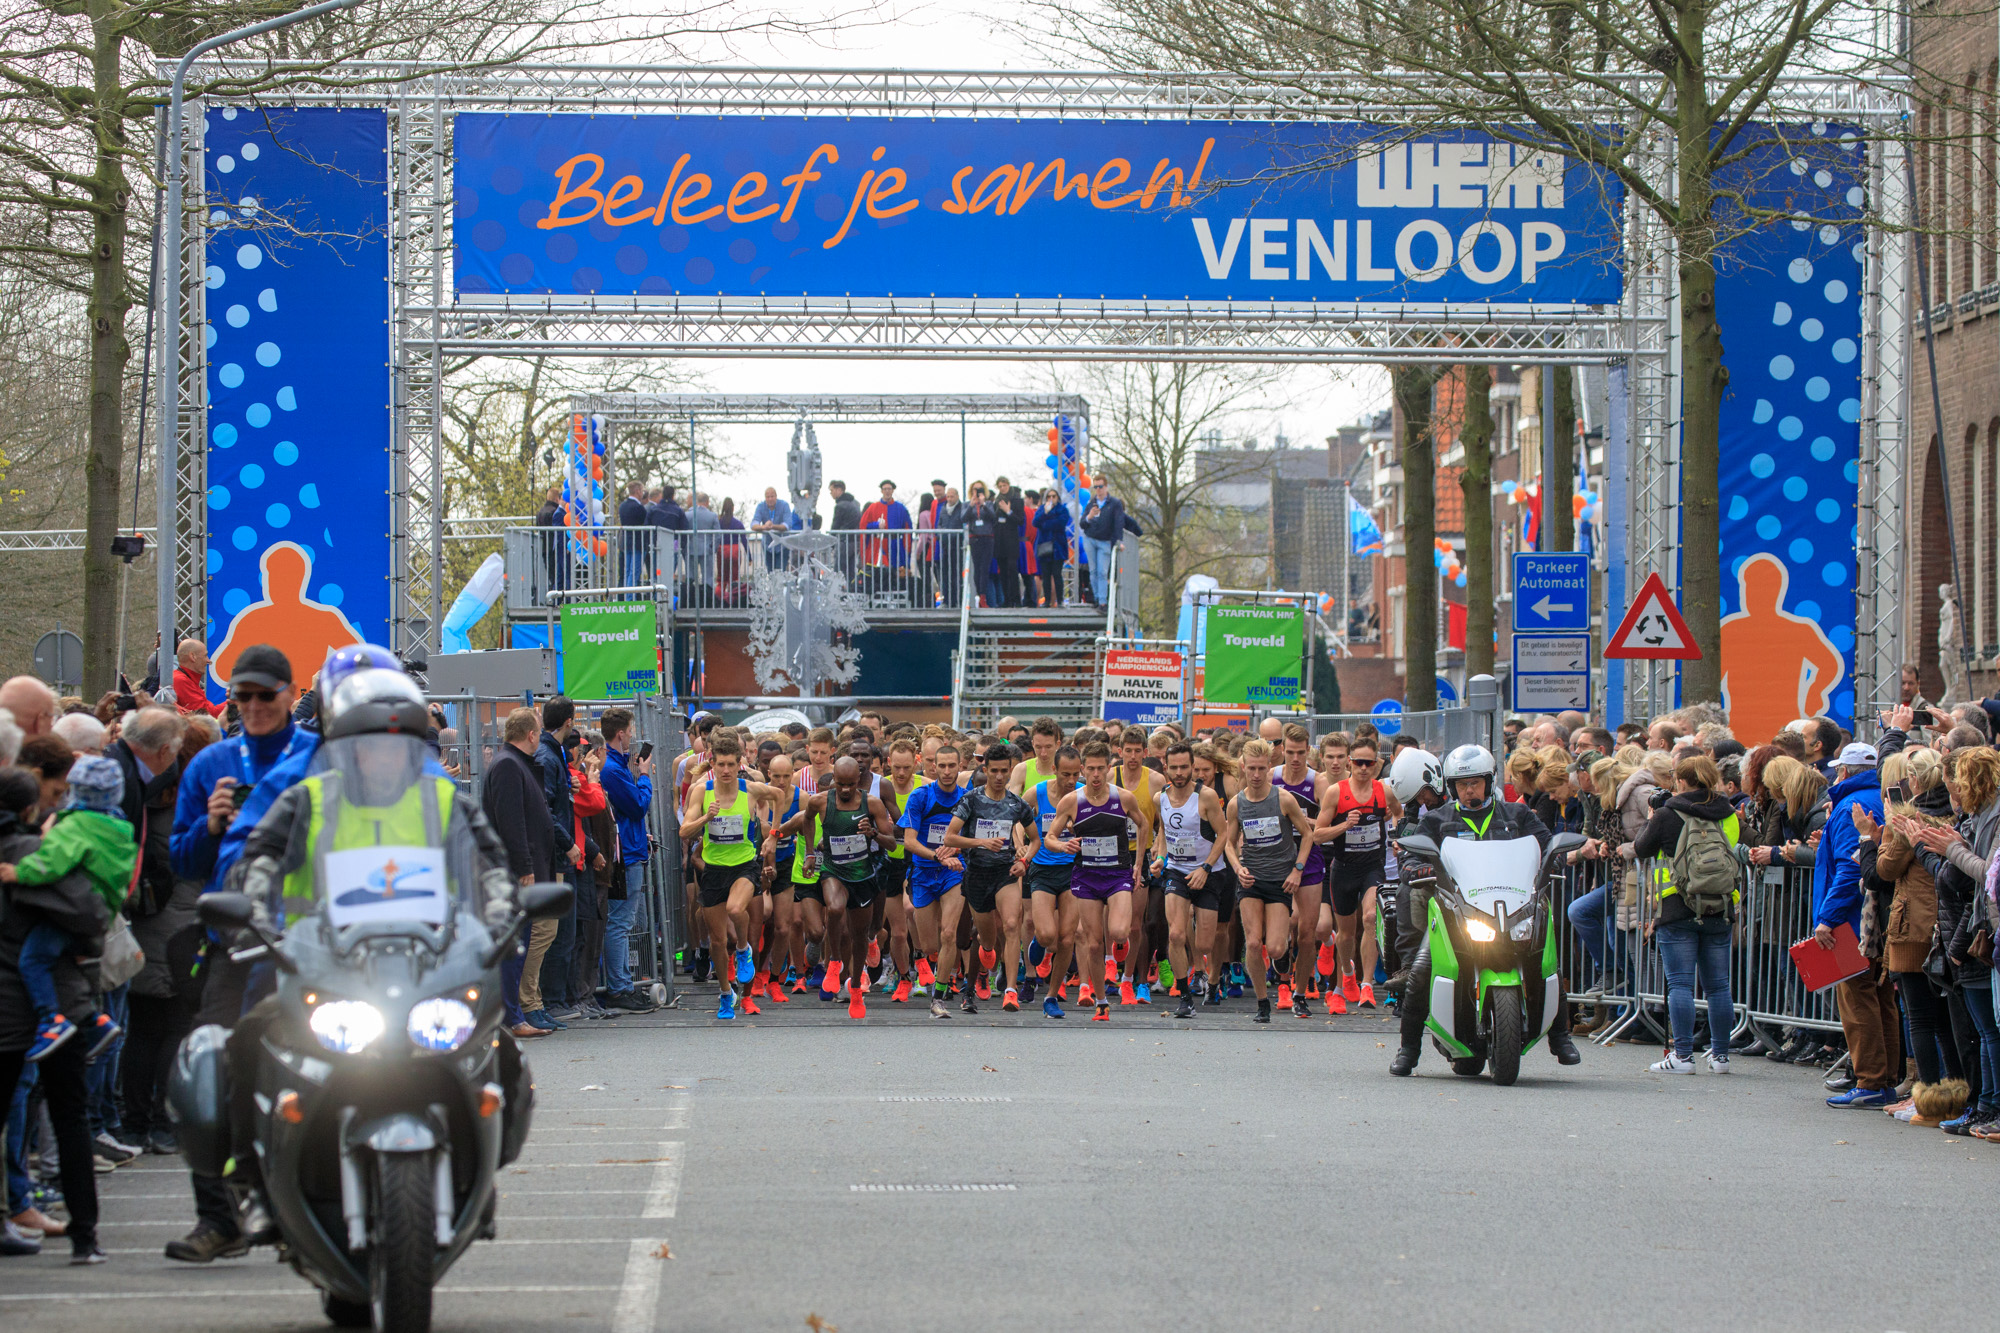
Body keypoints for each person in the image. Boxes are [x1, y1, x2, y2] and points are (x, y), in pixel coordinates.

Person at [1392, 744, 1580, 1075]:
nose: (1469, 790)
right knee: (1421, 972)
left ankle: (1560, 1037)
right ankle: (1409, 1050)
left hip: (1515, 907)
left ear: (1489, 781)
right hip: (1457, 911)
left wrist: (1555, 856)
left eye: (1476, 782)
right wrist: (1415, 868)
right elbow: (1411, 857)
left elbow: (1546, 843)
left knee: (1546, 960)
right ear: (1451, 787)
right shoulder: (1438, 821)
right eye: (1462, 785)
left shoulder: (1517, 816)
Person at [0, 767, 106, 1264]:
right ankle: (85, 1236)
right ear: (29, 810)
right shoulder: (35, 853)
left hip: (4, 1010)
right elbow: (90, 914)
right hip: (54, 1007)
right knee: (70, 1119)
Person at [0, 755, 135, 1061]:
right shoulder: (119, 826)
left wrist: (18, 872)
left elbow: (52, 863)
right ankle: (95, 1020)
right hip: (103, 910)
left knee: (33, 961)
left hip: (69, 914)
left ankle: (51, 1019)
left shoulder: (74, 826)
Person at [1631, 754, 1742, 1075]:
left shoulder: (1669, 813)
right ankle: (1720, 1056)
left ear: (1681, 780)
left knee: (1679, 982)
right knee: (1719, 986)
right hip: (1720, 905)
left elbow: (1641, 848)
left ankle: (1682, 1056)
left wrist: (1653, 817)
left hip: (1677, 906)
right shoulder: (1728, 814)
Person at [776, 757, 895, 1020]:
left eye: (850, 785)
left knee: (860, 933)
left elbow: (893, 844)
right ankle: (833, 963)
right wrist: (809, 852)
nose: (844, 790)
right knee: (834, 907)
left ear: (859, 782)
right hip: (833, 869)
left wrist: (872, 832)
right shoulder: (820, 801)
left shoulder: (871, 803)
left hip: (862, 873)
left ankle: (854, 988)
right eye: (839, 784)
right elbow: (806, 820)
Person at [679, 734, 788, 1021]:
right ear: (712, 763)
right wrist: (706, 819)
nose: (726, 771)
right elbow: (684, 831)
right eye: (720, 765)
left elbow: (778, 795)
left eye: (731, 764)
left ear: (739, 764)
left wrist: (773, 837)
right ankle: (726, 994)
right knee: (716, 941)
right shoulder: (702, 792)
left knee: (736, 909)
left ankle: (743, 949)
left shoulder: (749, 789)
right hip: (714, 869)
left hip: (744, 865)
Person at [1813, 742, 1895, 1106]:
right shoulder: (1880, 798)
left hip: (1853, 920)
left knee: (1858, 998)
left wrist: (1828, 917)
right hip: (1876, 915)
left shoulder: (1850, 806)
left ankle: (1871, 1081)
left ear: (1843, 772)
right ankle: (1885, 1078)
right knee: (1880, 998)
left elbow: (1849, 868)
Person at [1043, 741, 1148, 1022]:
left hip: (1117, 874)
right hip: (1087, 877)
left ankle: (1120, 949)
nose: (1096, 774)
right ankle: (1101, 1001)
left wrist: (1138, 864)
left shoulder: (1123, 798)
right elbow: (1049, 837)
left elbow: (1144, 823)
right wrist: (1063, 846)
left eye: (1101, 768)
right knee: (1092, 944)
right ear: (1082, 770)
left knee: (1119, 931)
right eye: (1090, 769)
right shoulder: (1072, 801)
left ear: (1109, 768)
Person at [1216, 738, 1315, 1024]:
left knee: (1275, 947)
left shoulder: (1283, 798)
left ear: (1269, 768)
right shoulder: (1237, 804)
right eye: (1252, 769)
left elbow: (1307, 834)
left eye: (1262, 769)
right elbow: (1229, 842)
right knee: (1253, 942)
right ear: (1243, 768)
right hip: (1251, 880)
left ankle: (1283, 960)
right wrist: (1237, 868)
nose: (1256, 775)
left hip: (1280, 880)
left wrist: (1297, 870)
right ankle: (1262, 1003)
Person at [482, 707, 565, 1040]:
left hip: (527, 868)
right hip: (517, 873)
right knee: (516, 946)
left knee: (522, 943)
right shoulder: (507, 766)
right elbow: (512, 823)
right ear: (531, 734)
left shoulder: (515, 764)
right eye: (538, 731)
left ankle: (514, 1015)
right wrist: (524, 869)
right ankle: (511, 1017)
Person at [943, 744, 1036, 1013]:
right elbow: (950, 837)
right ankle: (986, 955)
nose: (998, 776)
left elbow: (1036, 840)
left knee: (1010, 926)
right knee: (986, 938)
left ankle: (1009, 990)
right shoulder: (971, 800)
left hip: (1005, 873)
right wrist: (981, 842)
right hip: (977, 875)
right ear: (985, 770)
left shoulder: (1016, 804)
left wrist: (1024, 861)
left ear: (1009, 772)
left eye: (1003, 771)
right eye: (993, 771)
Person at [1320, 736, 1401, 1016]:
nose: (1363, 768)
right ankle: (1347, 974)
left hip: (1372, 868)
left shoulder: (1383, 791)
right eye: (1357, 762)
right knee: (1345, 933)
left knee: (1369, 918)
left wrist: (1396, 836)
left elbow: (1399, 815)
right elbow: (1318, 834)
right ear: (1350, 763)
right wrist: (1344, 825)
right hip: (1343, 868)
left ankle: (1367, 984)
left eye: (1368, 763)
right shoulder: (1336, 792)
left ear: (1377, 764)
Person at [1155, 741, 1228, 1020]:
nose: (1180, 772)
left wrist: (1206, 868)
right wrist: (1161, 857)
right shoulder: (1160, 797)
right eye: (1174, 767)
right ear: (1166, 768)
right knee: (1175, 933)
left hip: (1209, 872)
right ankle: (1185, 996)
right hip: (1176, 870)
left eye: (1185, 767)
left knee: (1205, 944)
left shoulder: (1206, 797)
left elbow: (1223, 834)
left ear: (1192, 766)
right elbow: (1163, 832)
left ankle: (1206, 975)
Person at [900, 741, 972, 1020]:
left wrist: (956, 851)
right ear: (931, 766)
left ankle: (938, 998)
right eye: (940, 765)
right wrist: (937, 856)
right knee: (930, 945)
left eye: (951, 765)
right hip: (924, 870)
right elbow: (908, 842)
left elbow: (971, 838)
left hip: (955, 870)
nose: (945, 771)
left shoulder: (968, 798)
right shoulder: (920, 797)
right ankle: (933, 966)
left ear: (960, 766)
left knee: (949, 934)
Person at [598, 707, 657, 1013]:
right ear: (620, 733)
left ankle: (621, 984)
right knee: (620, 922)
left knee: (621, 921)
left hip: (629, 848)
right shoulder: (612, 769)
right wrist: (644, 776)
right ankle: (619, 987)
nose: (632, 736)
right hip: (626, 854)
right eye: (631, 731)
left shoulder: (615, 766)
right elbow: (637, 806)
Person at [962, 482, 998, 608]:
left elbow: (993, 517)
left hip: (987, 538)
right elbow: (963, 518)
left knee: (985, 568)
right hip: (974, 538)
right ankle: (978, 595)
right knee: (977, 568)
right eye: (974, 490)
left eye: (979, 490)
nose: (976, 492)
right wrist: (971, 505)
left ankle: (983, 597)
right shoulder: (967, 504)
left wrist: (983, 505)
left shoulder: (988, 504)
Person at [1032, 488, 1069, 606]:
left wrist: (1047, 522)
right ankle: (1047, 600)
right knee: (1046, 575)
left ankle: (1060, 600)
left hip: (1058, 546)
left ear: (1057, 497)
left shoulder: (1062, 509)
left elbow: (1061, 523)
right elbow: (1035, 522)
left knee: (1057, 574)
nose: (1051, 499)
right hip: (1044, 546)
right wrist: (1045, 514)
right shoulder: (1042, 509)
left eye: (1054, 496)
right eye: (1049, 496)